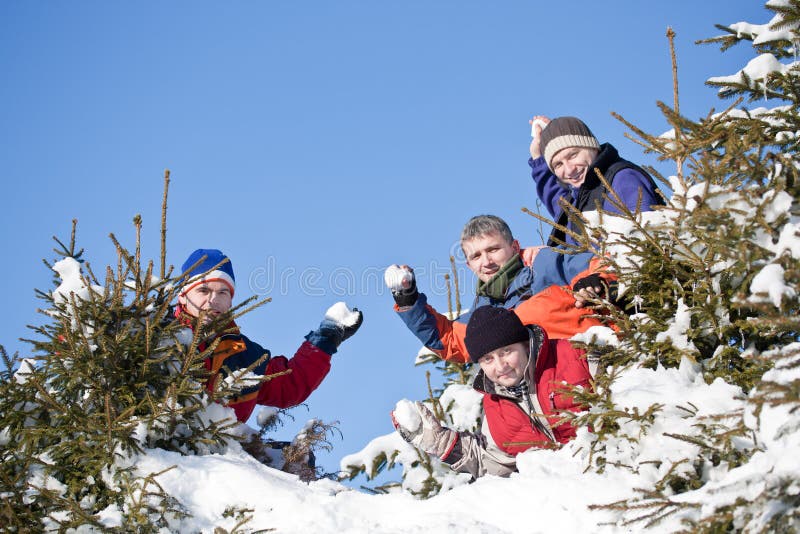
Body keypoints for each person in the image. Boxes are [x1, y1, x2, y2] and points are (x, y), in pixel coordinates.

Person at [392, 305, 593, 478]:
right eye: (488, 359)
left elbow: (623, 392)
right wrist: (441, 443)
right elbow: (491, 462)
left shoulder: (575, 356)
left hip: (610, 472)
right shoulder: (495, 405)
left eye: (506, 351)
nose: (500, 366)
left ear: (525, 345)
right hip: (563, 499)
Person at [384, 214, 612, 364]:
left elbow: (600, 263)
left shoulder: (540, 263)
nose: (486, 261)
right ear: (469, 265)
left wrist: (593, 280)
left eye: (493, 249)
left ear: (514, 246)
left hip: (597, 363)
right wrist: (408, 298)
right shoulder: (484, 309)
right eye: (476, 256)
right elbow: (451, 341)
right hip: (545, 395)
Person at [175, 248, 362, 423]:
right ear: (182, 295)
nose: (213, 300)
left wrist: (325, 339)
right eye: (203, 290)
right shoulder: (162, 338)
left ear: (231, 301)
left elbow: (289, 384)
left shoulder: (245, 356)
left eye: (223, 292)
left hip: (219, 452)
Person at [529, 115, 664, 247]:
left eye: (573, 155)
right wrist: (537, 157)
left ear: (592, 146)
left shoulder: (622, 180)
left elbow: (640, 244)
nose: (569, 170)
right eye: (558, 164)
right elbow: (555, 198)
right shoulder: (578, 198)